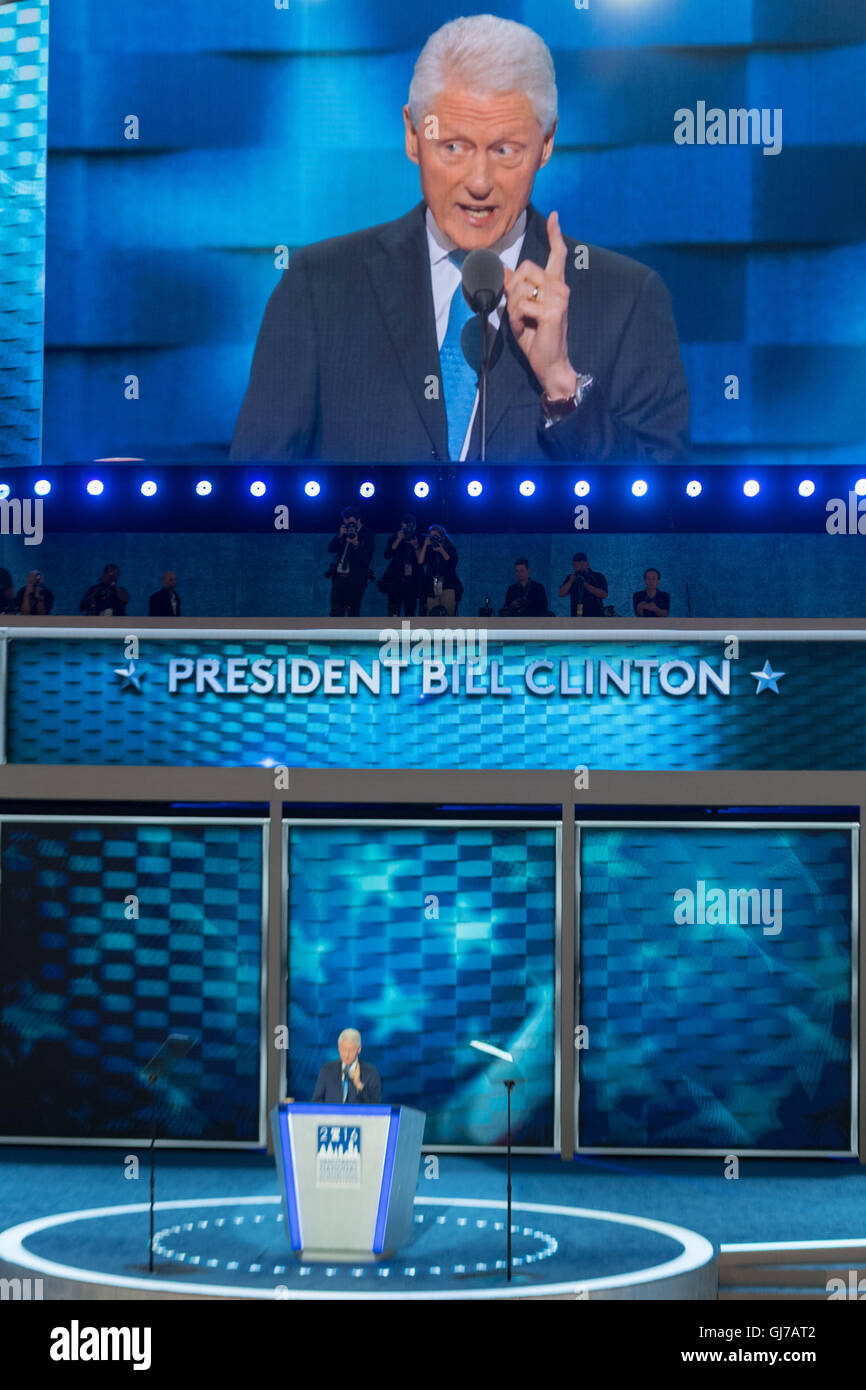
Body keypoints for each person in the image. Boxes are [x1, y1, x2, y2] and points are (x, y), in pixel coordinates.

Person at [231, 15, 689, 464]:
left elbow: (666, 521)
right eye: (453, 146)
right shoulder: (317, 289)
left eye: (505, 150)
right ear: (413, 135)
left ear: (546, 144)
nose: (479, 181)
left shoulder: (626, 300)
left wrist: (561, 385)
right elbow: (250, 511)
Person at [311, 1029, 382, 1105]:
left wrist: (358, 1084)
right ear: (338, 1048)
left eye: (351, 1050)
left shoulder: (371, 1072)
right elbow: (316, 1102)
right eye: (343, 1050)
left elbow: (376, 1107)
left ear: (359, 1050)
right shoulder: (326, 1070)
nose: (346, 1055)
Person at [327, 506, 375, 616]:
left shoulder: (368, 534)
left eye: (352, 523)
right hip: (339, 578)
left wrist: (356, 544)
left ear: (358, 520)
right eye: (347, 522)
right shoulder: (343, 532)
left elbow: (367, 558)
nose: (350, 525)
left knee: (352, 611)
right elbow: (331, 549)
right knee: (335, 611)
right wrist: (339, 535)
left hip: (356, 580)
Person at [378, 514, 425, 616]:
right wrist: (398, 539)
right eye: (405, 526)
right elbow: (387, 555)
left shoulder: (420, 538)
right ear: (401, 526)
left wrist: (416, 546)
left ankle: (408, 631)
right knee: (393, 612)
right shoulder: (395, 537)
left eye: (410, 526)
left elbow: (422, 562)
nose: (408, 529)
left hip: (413, 581)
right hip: (395, 580)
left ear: (414, 527)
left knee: (410, 612)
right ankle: (394, 631)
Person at [420, 523, 462, 615]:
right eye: (431, 536)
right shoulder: (429, 549)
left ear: (442, 536)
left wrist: (441, 550)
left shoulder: (449, 548)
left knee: (448, 613)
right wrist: (424, 546)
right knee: (433, 613)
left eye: (436, 536)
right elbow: (420, 562)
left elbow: (452, 564)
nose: (433, 538)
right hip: (432, 586)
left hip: (448, 584)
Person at [558, 551, 607, 618]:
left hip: (596, 616)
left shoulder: (597, 576)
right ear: (573, 566)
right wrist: (570, 581)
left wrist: (585, 584)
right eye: (576, 566)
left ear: (587, 564)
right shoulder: (571, 577)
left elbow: (603, 595)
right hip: (576, 616)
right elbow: (561, 594)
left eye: (581, 565)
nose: (579, 568)